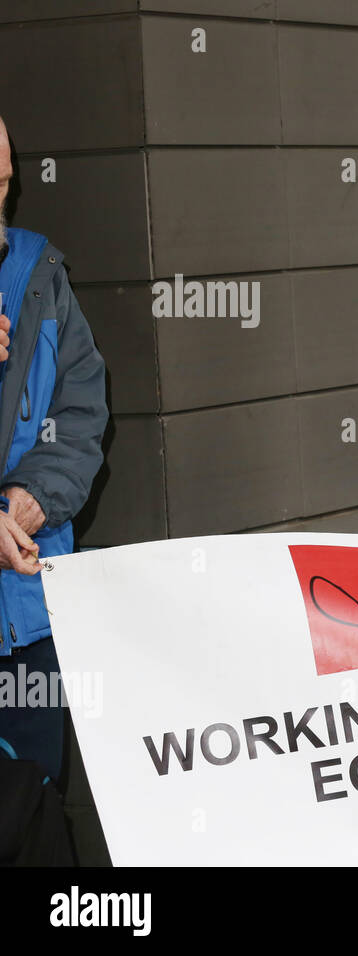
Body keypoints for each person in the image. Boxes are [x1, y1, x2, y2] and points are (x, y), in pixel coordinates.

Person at [0, 115, 110, 792]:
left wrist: (24, 503)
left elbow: (82, 412)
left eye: (4, 185)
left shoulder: (38, 272)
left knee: (33, 807)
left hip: (29, 607)